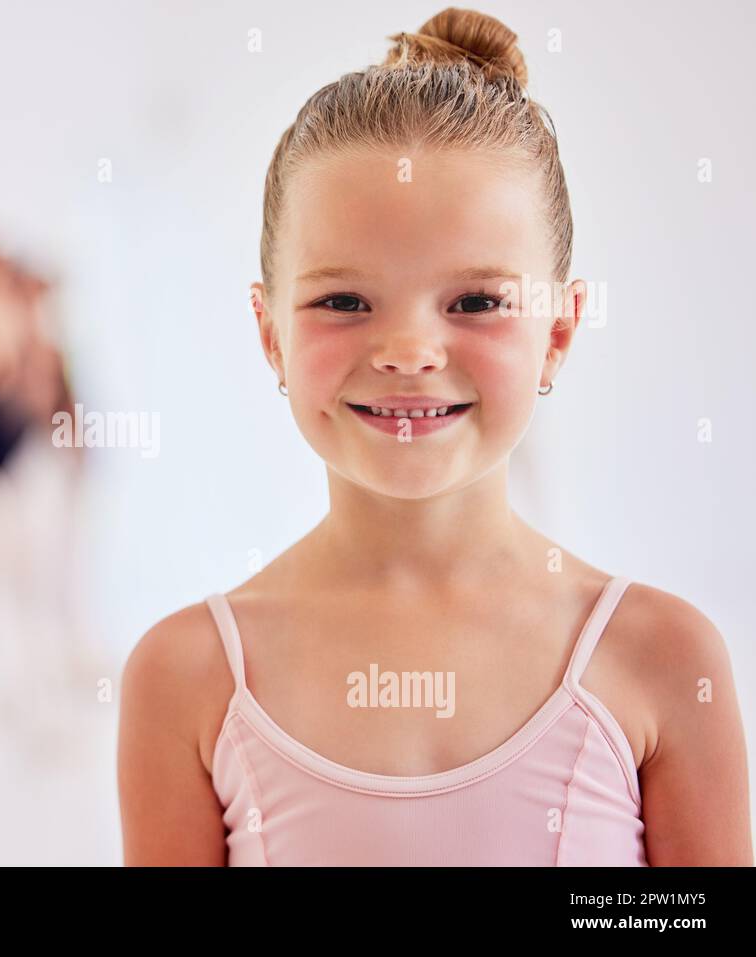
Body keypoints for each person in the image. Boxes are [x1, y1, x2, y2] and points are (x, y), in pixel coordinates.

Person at [117, 7, 751, 866]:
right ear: (271, 334)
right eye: (343, 301)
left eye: (476, 302)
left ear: (557, 334)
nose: (410, 352)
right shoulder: (186, 679)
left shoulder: (664, 659)